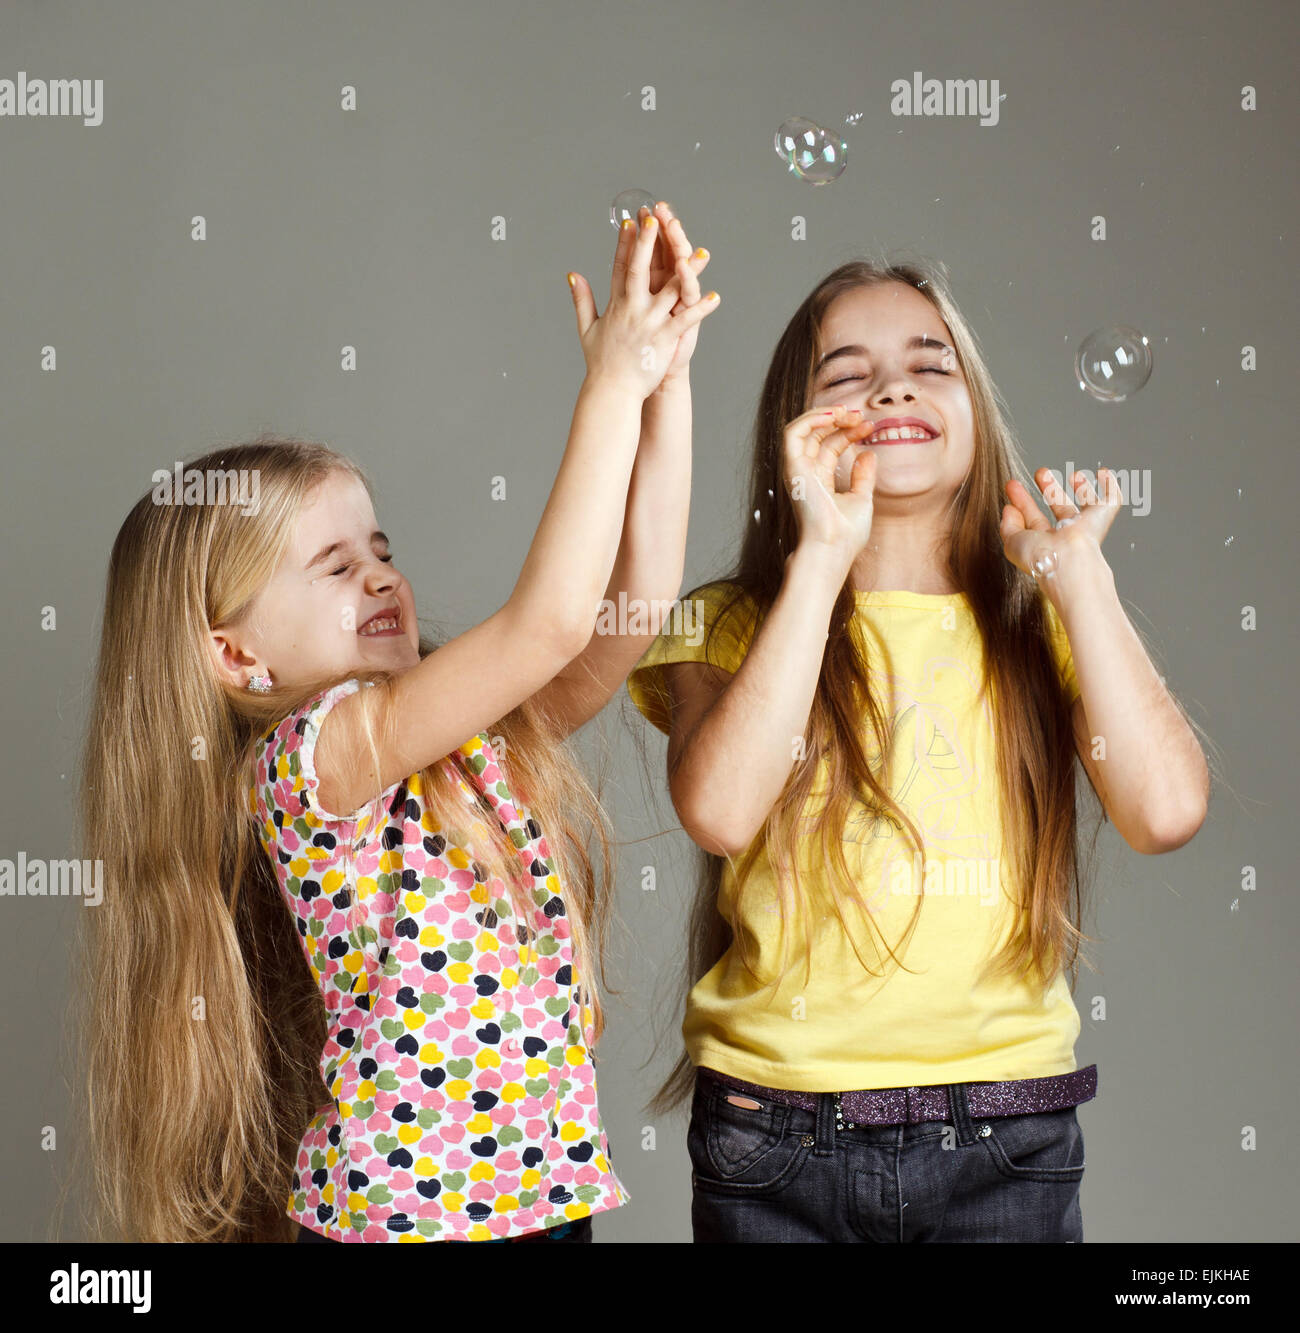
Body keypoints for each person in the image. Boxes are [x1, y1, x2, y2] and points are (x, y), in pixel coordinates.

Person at [74, 201, 719, 1242]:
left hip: (538, 1204)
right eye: (335, 566)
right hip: (407, 1223)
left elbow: (625, 616)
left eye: (380, 546)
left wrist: (665, 387)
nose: (380, 573)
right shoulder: (309, 762)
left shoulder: (466, 742)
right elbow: (548, 623)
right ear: (236, 655)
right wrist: (606, 385)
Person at [626, 257, 1211, 1242]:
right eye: (846, 372)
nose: (891, 386)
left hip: (1006, 1136)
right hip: (775, 1138)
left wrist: (1084, 583)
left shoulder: (1042, 619)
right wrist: (818, 556)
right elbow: (720, 808)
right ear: (793, 429)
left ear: (975, 409)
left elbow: (1165, 812)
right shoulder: (733, 622)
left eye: (927, 364)